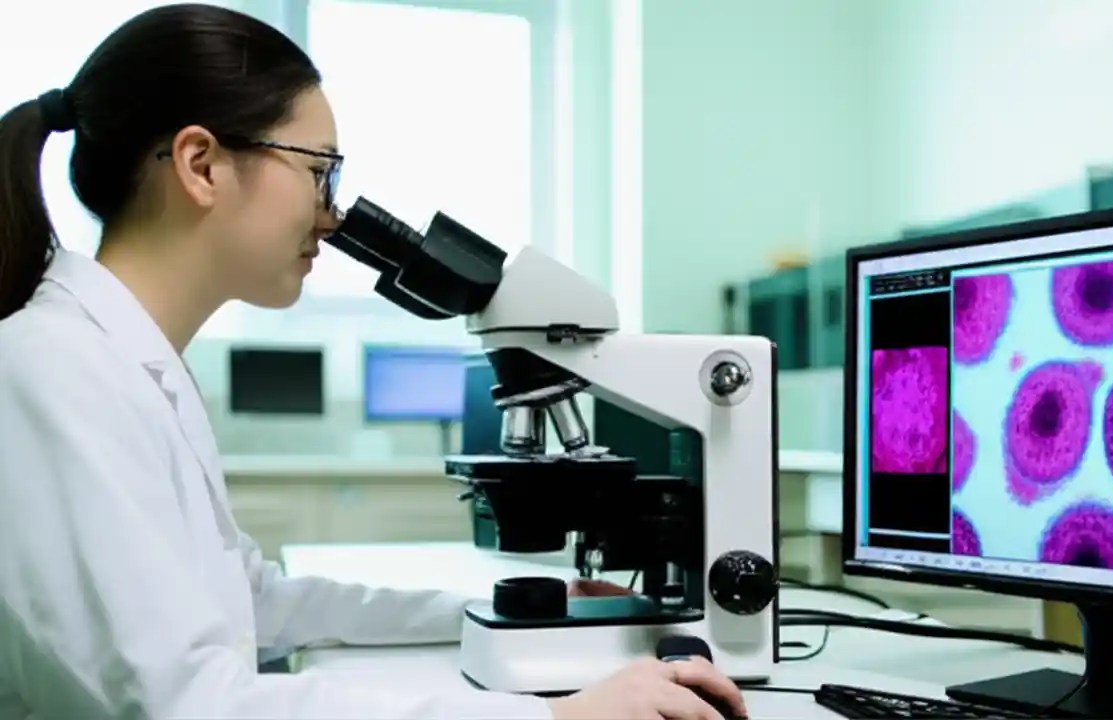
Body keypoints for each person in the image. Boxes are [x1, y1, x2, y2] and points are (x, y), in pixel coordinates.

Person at [0, 4, 748, 719]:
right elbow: (185, 706)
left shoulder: (129, 365)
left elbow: (252, 601)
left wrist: (499, 614)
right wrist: (554, 716)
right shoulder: (55, 370)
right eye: (319, 171)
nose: (331, 214)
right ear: (201, 165)